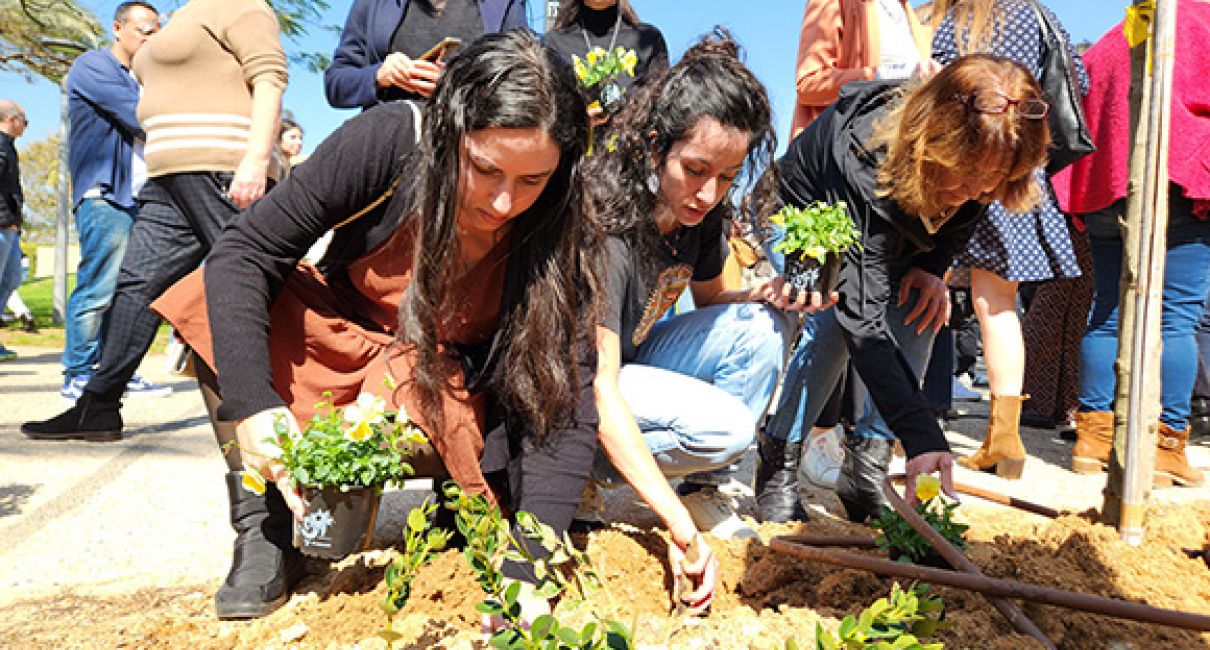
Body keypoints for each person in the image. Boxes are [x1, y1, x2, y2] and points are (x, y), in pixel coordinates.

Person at [158, 30, 710, 621]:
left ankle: (457, 496)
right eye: (486, 169)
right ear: (451, 135)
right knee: (207, 300)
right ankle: (262, 525)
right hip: (348, 335)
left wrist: (533, 562)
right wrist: (253, 406)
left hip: (447, 375)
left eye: (531, 180)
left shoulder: (565, 225)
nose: (503, 203)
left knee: (492, 433)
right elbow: (245, 252)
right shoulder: (393, 140)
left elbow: (568, 396)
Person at [764, 54, 1052, 523]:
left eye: (991, 181)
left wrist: (934, 268)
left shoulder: (984, 164)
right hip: (806, 219)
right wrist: (923, 437)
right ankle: (780, 460)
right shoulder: (866, 155)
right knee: (834, 319)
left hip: (891, 233)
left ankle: (866, 470)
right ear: (935, 140)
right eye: (964, 172)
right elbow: (862, 320)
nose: (973, 191)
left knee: (923, 308)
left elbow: (960, 222)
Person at [21, 0, 287, 442]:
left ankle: (309, 394)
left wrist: (256, 159)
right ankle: (99, 406)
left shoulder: (240, 6)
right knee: (136, 285)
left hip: (219, 165)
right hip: (168, 178)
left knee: (255, 282)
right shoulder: (182, 15)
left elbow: (270, 77)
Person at [583, 32, 810, 546]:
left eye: (728, 177)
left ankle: (701, 489)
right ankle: (582, 469)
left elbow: (710, 302)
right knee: (727, 429)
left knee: (764, 324)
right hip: (577, 383)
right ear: (654, 145)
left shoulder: (701, 215)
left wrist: (767, 295)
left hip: (631, 361)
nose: (708, 193)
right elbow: (597, 379)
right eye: (695, 170)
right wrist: (677, 528)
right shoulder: (610, 218)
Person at [1052, 0, 1210, 486]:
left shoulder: (1115, 35)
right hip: (1177, 181)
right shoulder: (1200, 22)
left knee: (1107, 309)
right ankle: (1166, 445)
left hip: (1105, 186)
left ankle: (1095, 440)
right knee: (1178, 314)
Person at [930, 0, 1086, 480]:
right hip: (1015, 169)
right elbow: (1074, 79)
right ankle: (1004, 437)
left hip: (951, 165)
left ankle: (895, 425)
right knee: (998, 307)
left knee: (919, 287)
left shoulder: (934, 20)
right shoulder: (1037, 16)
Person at [59, 1, 172, 403]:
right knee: (98, 287)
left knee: (130, 290)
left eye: (157, 30)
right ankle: (78, 373)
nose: (151, 37)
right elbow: (142, 118)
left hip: (141, 198)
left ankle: (113, 374)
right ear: (118, 28)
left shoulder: (143, 77)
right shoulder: (94, 66)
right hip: (106, 194)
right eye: (144, 29)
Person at [324, 0, 528, 110]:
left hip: (468, 156)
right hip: (386, 156)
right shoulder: (374, 5)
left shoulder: (503, 6)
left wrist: (455, 86)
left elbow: (522, 85)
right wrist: (378, 75)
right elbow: (336, 84)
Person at [789, 0, 935, 139]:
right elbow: (810, 81)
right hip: (843, 149)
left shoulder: (909, 14)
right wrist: (894, 74)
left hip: (899, 146)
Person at [542, 0, 668, 123]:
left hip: (630, 140)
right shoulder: (553, 43)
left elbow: (659, 106)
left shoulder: (648, 40)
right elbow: (546, 110)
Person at [0, 100, 27, 363]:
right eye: (24, 121)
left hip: (10, 228)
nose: (25, 127)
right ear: (11, 119)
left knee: (10, 280)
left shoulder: (7, 147)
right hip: (2, 225)